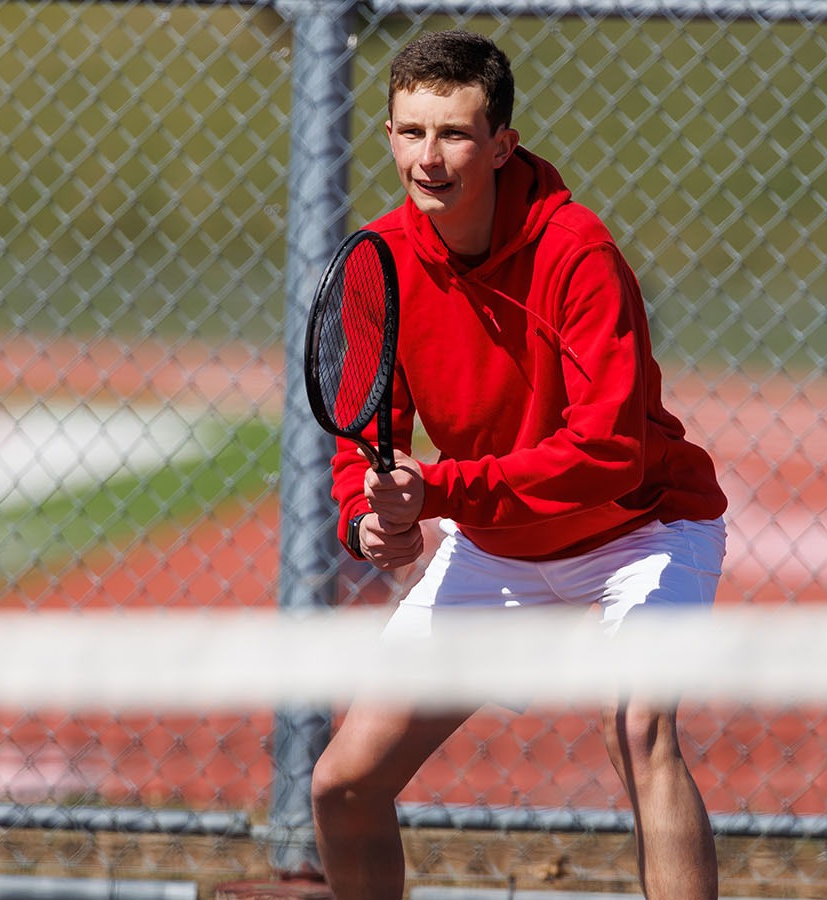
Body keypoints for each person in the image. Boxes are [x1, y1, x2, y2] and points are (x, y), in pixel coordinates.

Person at [310, 30, 728, 900]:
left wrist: (440, 492)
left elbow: (611, 452)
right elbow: (367, 437)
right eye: (410, 132)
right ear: (387, 135)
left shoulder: (579, 253)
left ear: (500, 143)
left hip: (639, 530)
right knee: (342, 785)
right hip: (497, 546)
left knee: (641, 727)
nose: (430, 158)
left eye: (454, 134)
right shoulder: (377, 261)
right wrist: (367, 516)